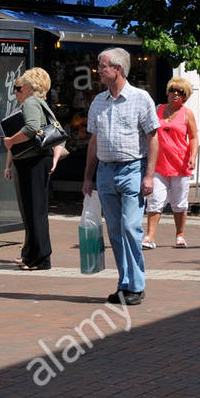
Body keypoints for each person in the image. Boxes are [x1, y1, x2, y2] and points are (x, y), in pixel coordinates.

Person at [82, 48, 159, 305]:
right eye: (99, 65)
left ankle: (137, 285)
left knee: (130, 227)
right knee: (115, 230)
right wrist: (87, 177)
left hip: (132, 169)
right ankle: (124, 284)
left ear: (118, 69)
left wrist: (149, 175)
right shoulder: (98, 102)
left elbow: (153, 137)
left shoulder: (141, 98)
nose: (99, 70)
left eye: (103, 66)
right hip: (105, 171)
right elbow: (93, 142)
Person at [2, 67, 64, 270]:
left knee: (34, 211)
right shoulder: (41, 103)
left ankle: (41, 257)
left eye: (21, 86)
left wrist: (10, 140)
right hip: (39, 160)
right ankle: (32, 255)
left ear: (29, 87)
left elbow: (31, 128)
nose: (17, 90)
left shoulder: (30, 102)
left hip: (33, 161)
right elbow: (55, 131)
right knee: (34, 210)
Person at [144, 76, 199, 249]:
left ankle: (180, 235)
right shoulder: (158, 109)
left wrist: (193, 156)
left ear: (186, 96)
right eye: (172, 90)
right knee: (155, 200)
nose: (176, 94)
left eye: (180, 92)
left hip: (180, 165)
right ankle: (150, 236)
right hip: (158, 164)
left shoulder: (187, 113)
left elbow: (194, 137)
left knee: (179, 203)